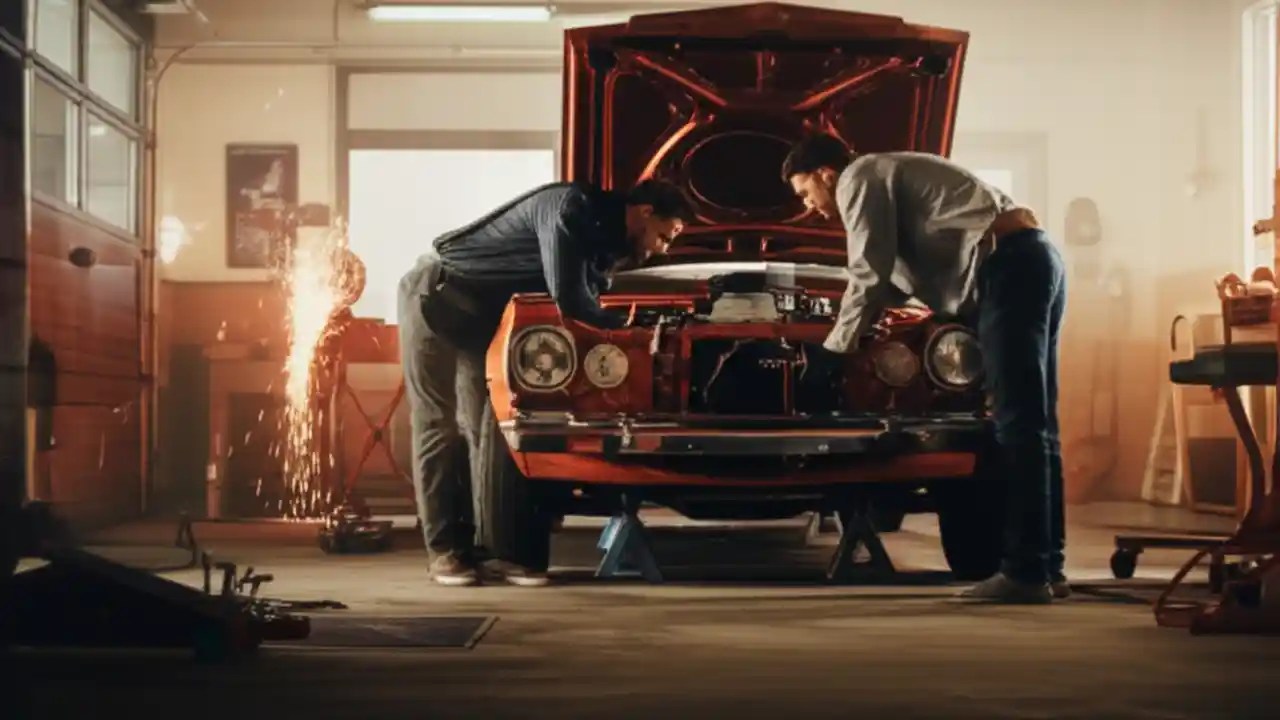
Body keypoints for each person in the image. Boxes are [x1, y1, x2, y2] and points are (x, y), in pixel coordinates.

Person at [780, 133, 1068, 604]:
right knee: (1039, 427)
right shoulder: (888, 173)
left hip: (1009, 268)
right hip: (1035, 259)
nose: (810, 207)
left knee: (1017, 426)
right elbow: (892, 286)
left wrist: (832, 352)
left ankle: (1024, 573)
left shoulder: (860, 176)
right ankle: (1048, 567)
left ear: (825, 174)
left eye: (805, 193)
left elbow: (869, 274)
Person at [397, 179, 693, 587]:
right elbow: (571, 301)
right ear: (644, 212)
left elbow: (588, 300)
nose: (664, 248)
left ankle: (495, 552)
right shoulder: (569, 209)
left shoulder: (607, 246)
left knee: (486, 429)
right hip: (437, 295)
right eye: (665, 235)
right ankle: (446, 552)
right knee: (439, 424)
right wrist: (632, 329)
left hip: (482, 317)